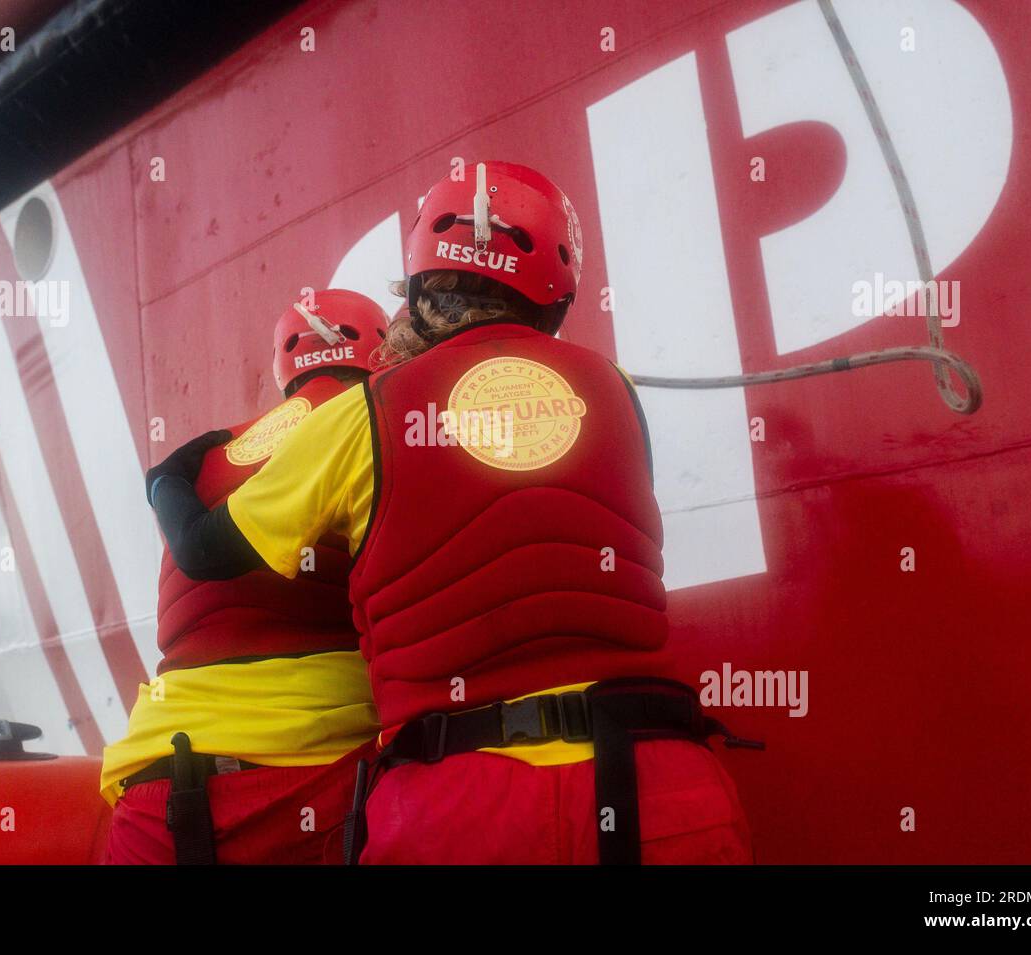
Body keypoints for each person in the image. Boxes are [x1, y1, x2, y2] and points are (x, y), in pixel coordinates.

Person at [149, 162, 755, 864]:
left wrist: (171, 474)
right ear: (556, 290)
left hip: (460, 809)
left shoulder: (364, 414)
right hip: (658, 790)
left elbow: (204, 552)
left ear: (417, 284)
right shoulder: (617, 390)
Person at [103, 289, 388, 864]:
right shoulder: (380, 430)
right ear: (382, 355)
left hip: (156, 783)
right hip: (314, 777)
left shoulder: (210, 455)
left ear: (284, 370)